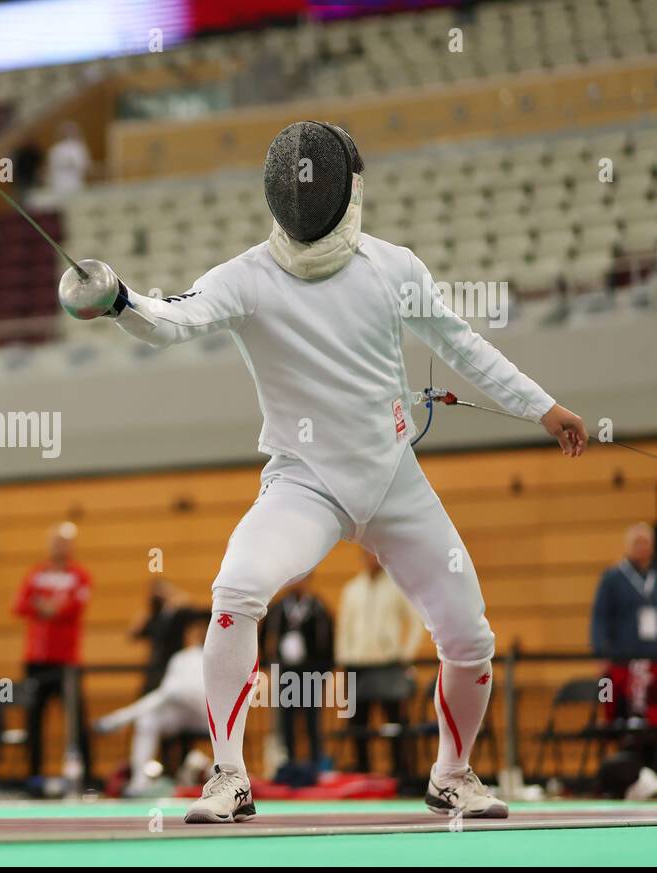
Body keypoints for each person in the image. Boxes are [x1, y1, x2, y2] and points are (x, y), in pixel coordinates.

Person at [58, 120, 587, 822]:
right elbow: (168, 320)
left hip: (393, 477)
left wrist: (542, 408)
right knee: (236, 589)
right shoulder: (245, 278)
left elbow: (463, 346)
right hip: (305, 482)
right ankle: (228, 775)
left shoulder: (394, 268)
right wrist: (120, 299)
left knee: (470, 637)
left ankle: (452, 775)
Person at [96, 613, 211, 796]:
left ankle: (119, 718)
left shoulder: (215, 656)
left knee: (174, 690)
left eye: (201, 631)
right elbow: (167, 694)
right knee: (148, 718)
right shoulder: (180, 658)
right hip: (181, 713)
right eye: (194, 631)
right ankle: (139, 782)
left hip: (210, 717)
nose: (197, 635)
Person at [13, 522, 93, 784]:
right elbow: (20, 604)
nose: (58, 547)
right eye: (54, 542)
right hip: (36, 660)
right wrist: (48, 606)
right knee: (34, 719)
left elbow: (72, 607)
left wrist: (45, 605)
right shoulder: (36, 573)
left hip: (66, 662)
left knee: (76, 718)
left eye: (63, 542)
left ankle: (86, 775)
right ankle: (33, 775)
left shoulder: (79, 575)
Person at [336, 551, 423, 775]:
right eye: (367, 555)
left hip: (388, 665)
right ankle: (362, 771)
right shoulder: (352, 589)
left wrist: (405, 655)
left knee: (394, 722)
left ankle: (400, 771)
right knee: (358, 723)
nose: (371, 559)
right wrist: (344, 661)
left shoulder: (397, 586)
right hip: (358, 665)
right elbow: (344, 630)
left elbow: (416, 623)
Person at [264, 574, 335, 769]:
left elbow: (328, 642)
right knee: (286, 721)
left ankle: (314, 762)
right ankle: (289, 763)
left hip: (311, 673)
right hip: (286, 673)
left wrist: (324, 672)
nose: (297, 583)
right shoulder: (278, 609)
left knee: (312, 720)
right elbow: (263, 638)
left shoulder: (318, 608)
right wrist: (268, 667)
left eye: (302, 579)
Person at [591, 523, 657, 733]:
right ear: (627, 547)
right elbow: (599, 617)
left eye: (645, 542)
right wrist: (600, 652)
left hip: (653, 658)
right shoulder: (612, 578)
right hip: (622, 659)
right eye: (636, 543)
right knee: (609, 694)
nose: (641, 547)